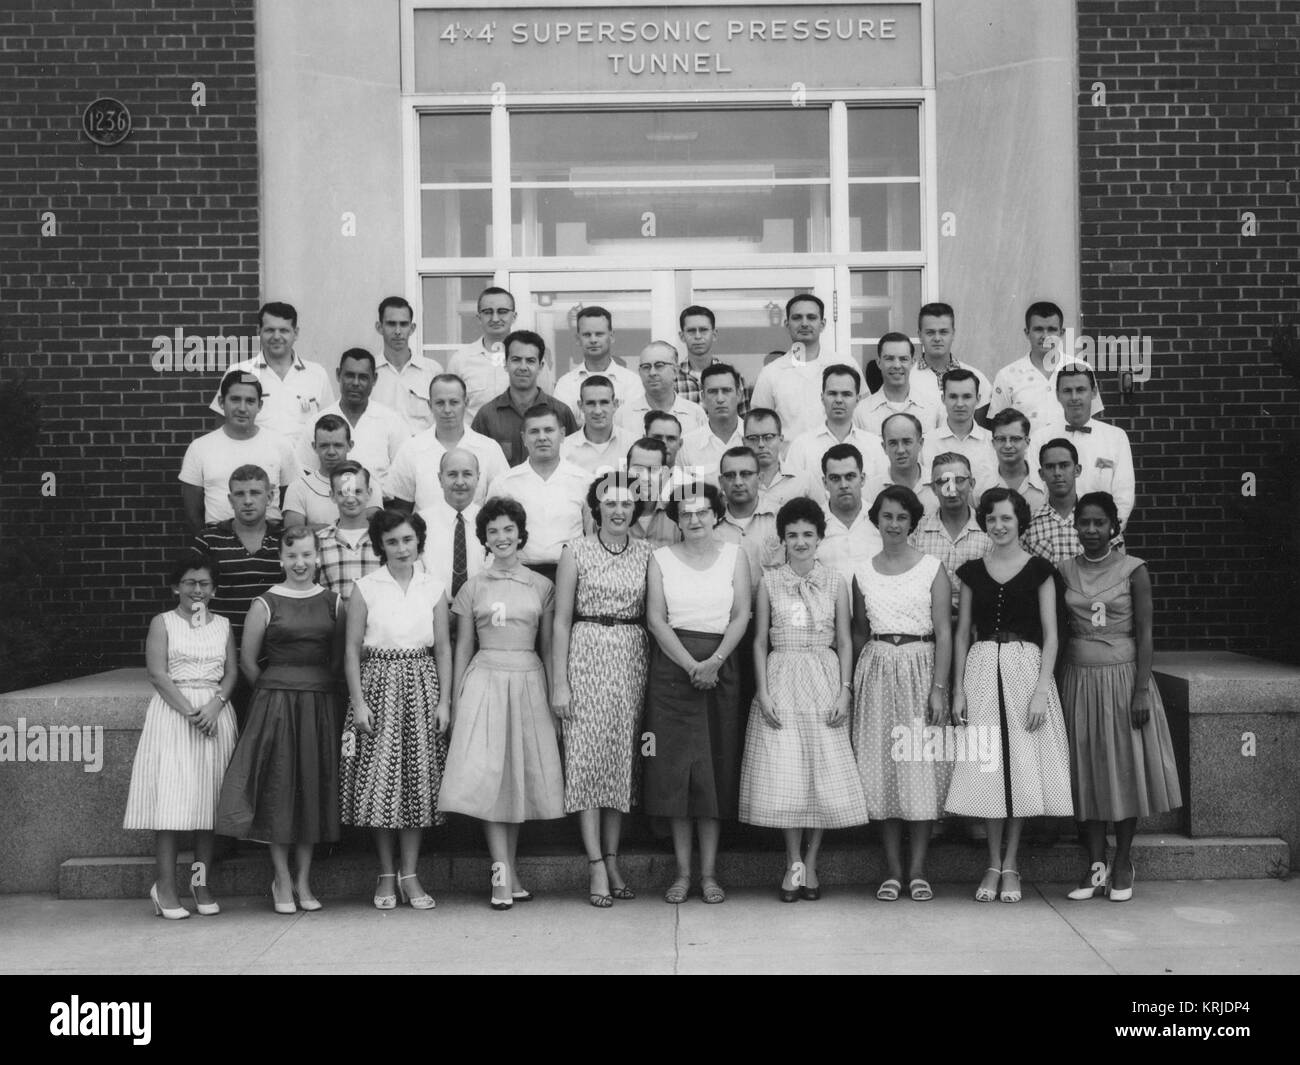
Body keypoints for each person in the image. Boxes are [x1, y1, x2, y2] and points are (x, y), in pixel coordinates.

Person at [944, 488, 1073, 904]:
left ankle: (1012, 863)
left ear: (1020, 522)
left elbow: (1052, 636)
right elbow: (962, 634)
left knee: (1020, 768)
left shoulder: (1040, 570)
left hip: (1024, 671)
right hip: (983, 669)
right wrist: (959, 689)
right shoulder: (971, 572)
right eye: (992, 519)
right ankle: (991, 862)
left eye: (1007, 519)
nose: (999, 526)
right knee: (990, 772)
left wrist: (1040, 692)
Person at [439, 496, 565, 909]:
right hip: (485, 680)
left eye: (509, 529)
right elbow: (461, 649)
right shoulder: (473, 586)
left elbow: (548, 648)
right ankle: (500, 875)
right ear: (485, 540)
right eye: (493, 531)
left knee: (517, 780)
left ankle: (509, 873)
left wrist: (552, 693)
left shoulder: (541, 586)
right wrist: (455, 700)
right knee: (492, 779)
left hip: (528, 679)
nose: (502, 537)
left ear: (520, 534)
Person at [740, 497, 867, 902]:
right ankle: (793, 860)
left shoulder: (834, 580)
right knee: (788, 774)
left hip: (824, 676)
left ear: (819, 537)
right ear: (782, 538)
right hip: (782, 676)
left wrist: (845, 689)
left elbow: (845, 640)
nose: (799, 541)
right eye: (792, 535)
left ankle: (812, 860)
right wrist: (762, 691)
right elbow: (759, 641)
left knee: (822, 774)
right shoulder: (770, 581)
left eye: (807, 534)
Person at [215, 526, 346, 913]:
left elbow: (338, 660)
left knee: (310, 789)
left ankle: (304, 880)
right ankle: (282, 879)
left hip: (319, 704)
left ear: (317, 556)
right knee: (280, 788)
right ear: (281, 559)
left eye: (306, 555)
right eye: (292, 556)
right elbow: (247, 661)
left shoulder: (335, 602)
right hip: (275, 704)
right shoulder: (264, 603)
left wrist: (314, 687)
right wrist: (275, 689)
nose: (300, 563)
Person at [1058, 493, 1181, 903]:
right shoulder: (1064, 570)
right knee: (1089, 770)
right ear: (1074, 526)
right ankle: (1096, 863)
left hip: (1123, 678)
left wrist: (1142, 688)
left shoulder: (1134, 569)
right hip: (1080, 677)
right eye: (1083, 523)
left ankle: (1124, 860)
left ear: (1114, 526)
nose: (1091, 531)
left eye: (1099, 523)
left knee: (1123, 767)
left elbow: (1144, 633)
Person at [644, 483, 752, 905]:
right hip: (673, 672)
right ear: (676, 517)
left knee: (713, 773)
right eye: (685, 513)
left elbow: (742, 612)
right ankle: (682, 873)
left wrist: (716, 661)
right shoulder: (661, 558)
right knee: (675, 774)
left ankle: (709, 874)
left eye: (702, 511)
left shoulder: (734, 556)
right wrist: (691, 665)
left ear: (715, 514)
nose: (694, 520)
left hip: (721, 666)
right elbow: (656, 619)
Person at [341, 511, 451, 911]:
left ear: (418, 541)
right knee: (381, 784)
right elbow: (352, 649)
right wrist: (358, 702)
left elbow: (442, 648)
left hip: (421, 686)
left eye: (407, 540)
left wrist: (444, 701)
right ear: (380, 546)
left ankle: (410, 872)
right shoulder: (366, 587)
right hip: (378, 686)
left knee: (416, 786)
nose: (402, 548)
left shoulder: (433, 587)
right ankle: (386, 872)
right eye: (392, 542)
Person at [551, 472, 652, 907]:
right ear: (598, 507)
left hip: (630, 656)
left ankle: (612, 858)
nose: (618, 510)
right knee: (586, 760)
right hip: (587, 651)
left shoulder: (648, 553)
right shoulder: (576, 551)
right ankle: (594, 863)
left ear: (635, 509)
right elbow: (559, 620)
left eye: (626, 503)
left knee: (619, 763)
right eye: (609, 503)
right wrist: (559, 682)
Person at [851, 486, 954, 902]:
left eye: (901, 517)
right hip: (876, 669)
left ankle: (918, 870)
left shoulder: (932, 567)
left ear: (913, 523)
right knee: (883, 770)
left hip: (920, 666)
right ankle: (893, 870)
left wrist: (939, 688)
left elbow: (945, 630)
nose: (893, 524)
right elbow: (859, 632)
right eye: (887, 516)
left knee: (918, 768)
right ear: (876, 520)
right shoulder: (861, 571)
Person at [124, 550, 239, 919]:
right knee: (172, 806)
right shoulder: (163, 623)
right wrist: (191, 712)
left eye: (204, 583)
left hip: (215, 716)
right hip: (175, 717)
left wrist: (216, 705)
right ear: (175, 586)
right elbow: (157, 674)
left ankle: (200, 882)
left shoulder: (222, 625)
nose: (197, 590)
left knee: (208, 807)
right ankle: (166, 887)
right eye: (189, 582)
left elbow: (232, 674)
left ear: (214, 590)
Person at [181, 370, 299, 534]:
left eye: (250, 401)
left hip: (270, 539)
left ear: (260, 406)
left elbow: (293, 501)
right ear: (222, 402)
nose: (242, 408)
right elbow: (193, 513)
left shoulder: (280, 445)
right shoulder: (199, 448)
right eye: (235, 399)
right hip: (218, 540)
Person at [486, 405, 590, 583]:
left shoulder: (585, 480)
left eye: (549, 430)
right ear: (524, 438)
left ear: (563, 434)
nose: (542, 437)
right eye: (534, 431)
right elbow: (491, 536)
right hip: (519, 574)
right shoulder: (504, 484)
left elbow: (592, 533)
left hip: (572, 574)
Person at [208, 301, 335, 446]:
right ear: (259, 332)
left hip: (305, 466)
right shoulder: (239, 372)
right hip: (255, 465)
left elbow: (331, 425)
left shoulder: (317, 374)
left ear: (296, 333)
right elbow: (221, 429)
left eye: (284, 330)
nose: (276, 336)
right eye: (270, 330)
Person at [193, 465, 284, 658]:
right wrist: (199, 637)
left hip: (275, 653)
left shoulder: (285, 541)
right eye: (240, 494)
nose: (248, 501)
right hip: (220, 651)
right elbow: (195, 594)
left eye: (255, 493)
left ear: (269, 497)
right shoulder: (208, 540)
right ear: (230, 499)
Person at [387, 373, 510, 510]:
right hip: (426, 530)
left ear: (466, 403)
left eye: (454, 402)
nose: (447, 410)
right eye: (440, 403)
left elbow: (501, 505)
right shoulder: (411, 450)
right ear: (429, 405)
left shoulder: (489, 449)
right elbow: (402, 509)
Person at [1037, 362, 1136, 531]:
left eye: (1081, 390)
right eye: (1067, 391)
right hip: (1053, 535)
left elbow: (1124, 494)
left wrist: (1110, 531)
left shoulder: (1116, 437)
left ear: (1094, 392)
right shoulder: (1041, 437)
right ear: (1058, 395)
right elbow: (1038, 492)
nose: (1074, 397)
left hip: (1104, 537)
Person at [987, 301, 1103, 437]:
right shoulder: (1007, 375)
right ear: (1027, 332)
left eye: (1052, 329)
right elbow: (996, 425)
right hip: (1027, 456)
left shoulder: (1081, 369)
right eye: (1038, 329)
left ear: (1062, 332)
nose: (1045, 336)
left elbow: (1094, 419)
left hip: (1074, 455)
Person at [296, 349, 405, 489]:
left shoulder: (392, 422)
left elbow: (403, 474)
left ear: (375, 379)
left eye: (363, 377)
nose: (355, 383)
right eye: (349, 375)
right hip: (329, 502)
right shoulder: (317, 422)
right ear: (338, 375)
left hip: (380, 506)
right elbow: (306, 471)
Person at [471, 330, 577, 466]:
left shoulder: (561, 412)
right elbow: (475, 465)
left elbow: (574, 461)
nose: (523, 367)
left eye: (530, 361)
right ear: (505, 364)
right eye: (516, 360)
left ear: (541, 366)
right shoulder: (487, 415)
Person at [448, 287, 555, 421]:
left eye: (502, 312)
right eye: (488, 312)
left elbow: (547, 403)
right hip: (475, 439)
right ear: (478, 317)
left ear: (514, 316)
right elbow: (450, 407)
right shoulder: (460, 360)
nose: (495, 318)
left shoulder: (531, 359)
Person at [784, 364, 885, 503]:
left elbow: (883, 495)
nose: (838, 400)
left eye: (846, 394)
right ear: (822, 397)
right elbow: (792, 496)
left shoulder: (875, 446)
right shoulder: (802, 446)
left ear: (858, 399)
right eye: (832, 393)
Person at [908, 453, 992, 619]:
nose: (951, 488)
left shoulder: (989, 530)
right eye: (942, 482)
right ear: (933, 488)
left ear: (972, 483)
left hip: (977, 623)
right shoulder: (918, 531)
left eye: (959, 480)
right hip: (929, 624)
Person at [751, 294, 837, 441]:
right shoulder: (771, 373)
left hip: (839, 460)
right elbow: (759, 426)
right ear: (787, 324)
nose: (804, 323)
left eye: (811, 317)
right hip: (789, 462)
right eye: (797, 317)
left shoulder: (845, 364)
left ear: (822, 324)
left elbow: (860, 418)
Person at [283, 414, 382, 529]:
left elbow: (373, 529)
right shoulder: (298, 488)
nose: (331, 452)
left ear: (350, 446)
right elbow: (293, 533)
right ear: (314, 447)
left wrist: (316, 528)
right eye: (324, 446)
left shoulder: (368, 484)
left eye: (338, 445)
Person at [553, 307, 644, 425]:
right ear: (578, 339)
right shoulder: (565, 384)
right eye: (587, 334)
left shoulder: (632, 382)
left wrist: (580, 423)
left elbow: (633, 426)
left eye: (599, 334)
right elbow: (563, 427)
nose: (593, 340)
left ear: (611, 336)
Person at [416, 448, 487, 596]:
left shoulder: (489, 521)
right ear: (440, 478)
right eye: (452, 474)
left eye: (467, 474)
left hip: (479, 609)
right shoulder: (420, 522)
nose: (460, 482)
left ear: (478, 478)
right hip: (433, 608)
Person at [371, 296, 442, 434]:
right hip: (381, 452)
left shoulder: (432, 371)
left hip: (421, 452)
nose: (398, 331)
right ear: (379, 327)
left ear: (412, 328)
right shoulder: (368, 373)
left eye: (403, 324)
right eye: (391, 324)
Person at [920, 369, 998, 491]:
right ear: (943, 399)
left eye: (967, 396)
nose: (960, 404)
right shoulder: (926, 443)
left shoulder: (993, 442)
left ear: (978, 399)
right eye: (953, 396)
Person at [316, 461, 383, 603]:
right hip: (334, 624)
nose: (350, 499)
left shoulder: (385, 539)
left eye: (357, 491)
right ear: (332, 496)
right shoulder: (318, 542)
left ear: (369, 493)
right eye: (342, 493)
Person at [911, 303, 992, 418]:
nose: (937, 338)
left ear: (953, 334)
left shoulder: (977, 378)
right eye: (930, 332)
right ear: (920, 335)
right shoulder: (908, 379)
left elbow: (983, 430)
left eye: (943, 332)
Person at [816, 443, 883, 582]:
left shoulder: (881, 519)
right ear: (825, 482)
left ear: (862, 478)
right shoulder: (811, 523)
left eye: (850, 476)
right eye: (835, 478)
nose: (843, 485)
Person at [854, 333, 941, 435]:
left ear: (912, 363)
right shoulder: (860, 412)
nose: (896, 365)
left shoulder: (933, 409)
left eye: (903, 359)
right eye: (889, 359)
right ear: (879, 363)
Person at [675, 305, 751, 416]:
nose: (698, 336)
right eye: (691, 331)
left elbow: (744, 424)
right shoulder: (672, 379)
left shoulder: (733, 377)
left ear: (714, 334)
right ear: (682, 336)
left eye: (703, 330)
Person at [619, 341, 707, 435]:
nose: (652, 373)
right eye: (646, 367)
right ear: (639, 372)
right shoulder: (623, 416)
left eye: (659, 365)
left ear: (675, 371)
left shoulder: (696, 414)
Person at [1023, 438, 1087, 565]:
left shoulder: (1097, 518)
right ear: (1041, 474)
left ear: (1077, 470)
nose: (1057, 473)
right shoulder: (1029, 525)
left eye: (1064, 465)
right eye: (1050, 467)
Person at [678, 362, 745, 484]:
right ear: (703, 397)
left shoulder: (755, 439)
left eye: (726, 391)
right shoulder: (687, 445)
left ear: (739, 395)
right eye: (713, 392)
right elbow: (684, 497)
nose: (720, 399)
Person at [560, 375, 637, 475]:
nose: (598, 411)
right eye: (591, 403)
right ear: (580, 406)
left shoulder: (634, 444)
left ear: (615, 404)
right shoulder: (563, 449)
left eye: (604, 402)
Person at [874, 412, 940, 514]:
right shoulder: (870, 490)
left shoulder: (938, 484)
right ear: (884, 447)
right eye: (893, 443)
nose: (900, 450)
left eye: (907, 442)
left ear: (920, 443)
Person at [626, 437, 681, 550]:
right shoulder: (607, 515)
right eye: (638, 469)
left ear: (664, 473)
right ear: (625, 470)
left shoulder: (678, 517)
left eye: (653, 470)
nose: (645, 477)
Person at [989, 408, 1048, 513]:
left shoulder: (1045, 484)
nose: (1008, 445)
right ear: (993, 443)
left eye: (1015, 439)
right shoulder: (982, 485)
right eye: (1001, 439)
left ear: (1027, 441)